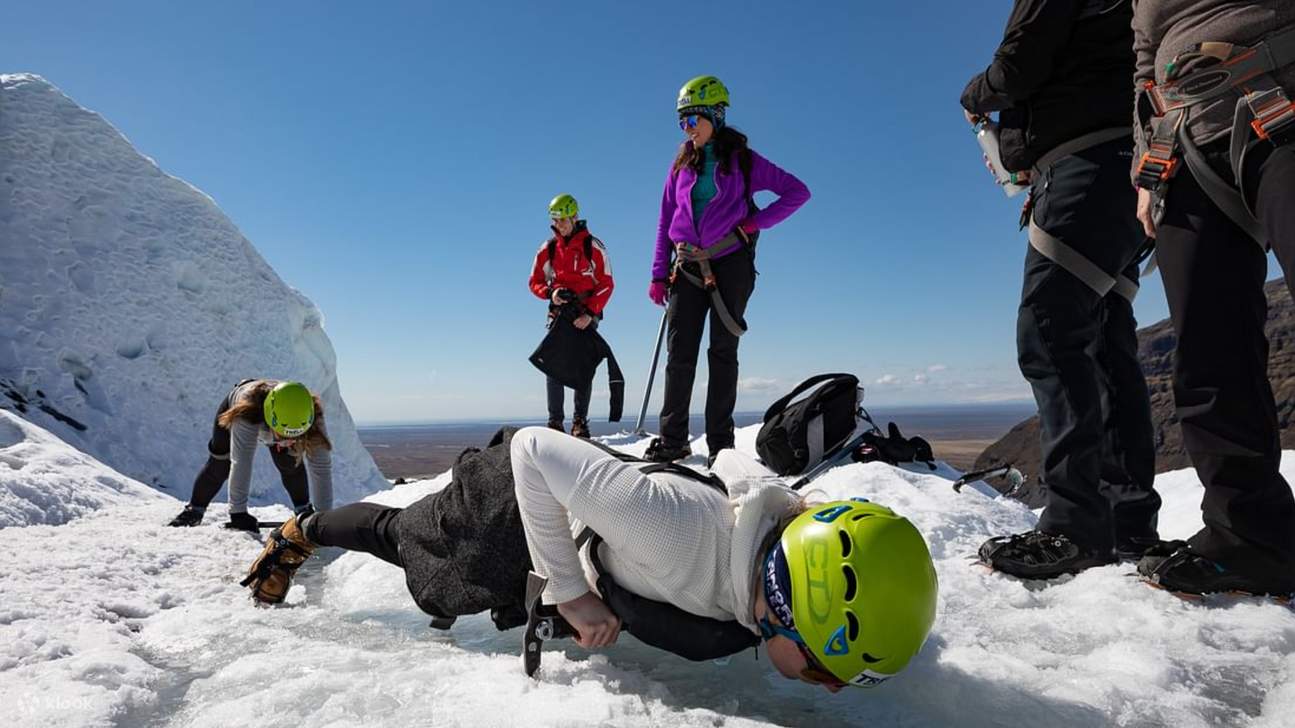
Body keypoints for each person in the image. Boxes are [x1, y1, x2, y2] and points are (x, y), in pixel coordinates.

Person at [241, 426, 938, 690]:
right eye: (824, 668)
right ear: (787, 608)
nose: (828, 687)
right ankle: (302, 530)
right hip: (505, 508)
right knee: (409, 548)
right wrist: (572, 592)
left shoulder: (750, 575)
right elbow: (531, 453)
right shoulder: (678, 535)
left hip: (571, 530)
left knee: (443, 574)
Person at [961, 0, 1162, 579]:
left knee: (1048, 333)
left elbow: (1018, 65)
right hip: (1127, 167)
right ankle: (1127, 523)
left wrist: (976, 94)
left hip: (1083, 168)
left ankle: (1075, 527)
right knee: (1103, 342)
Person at [1130, 1, 1295, 596]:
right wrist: (1146, 160)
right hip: (1184, 143)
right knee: (1205, 352)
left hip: (1281, 86)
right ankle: (1251, 539)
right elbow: (1144, 61)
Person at [645, 75, 810, 466]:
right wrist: (656, 273)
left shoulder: (744, 161)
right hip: (685, 266)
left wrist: (754, 224)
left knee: (723, 352)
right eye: (681, 121)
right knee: (679, 355)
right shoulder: (681, 163)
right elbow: (665, 217)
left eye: (692, 119)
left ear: (715, 116)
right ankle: (673, 441)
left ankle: (720, 444)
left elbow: (797, 192)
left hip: (731, 265)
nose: (686, 128)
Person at [168, 379, 332, 531]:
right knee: (220, 465)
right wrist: (238, 513)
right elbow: (241, 462)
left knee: (290, 463)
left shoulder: (310, 412)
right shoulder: (247, 412)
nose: (289, 441)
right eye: (284, 436)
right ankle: (194, 511)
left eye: (296, 437)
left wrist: (322, 519)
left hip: (281, 418)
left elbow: (320, 466)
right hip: (243, 406)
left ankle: (303, 510)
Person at [529, 193, 614, 438]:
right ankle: (555, 423)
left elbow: (607, 284)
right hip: (558, 313)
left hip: (585, 313)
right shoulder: (548, 249)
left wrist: (590, 313)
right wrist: (550, 293)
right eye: (555, 221)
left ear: (574, 216)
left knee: (582, 366)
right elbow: (534, 281)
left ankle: (580, 422)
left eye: (563, 220)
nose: (559, 226)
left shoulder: (593, 247)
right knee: (553, 365)